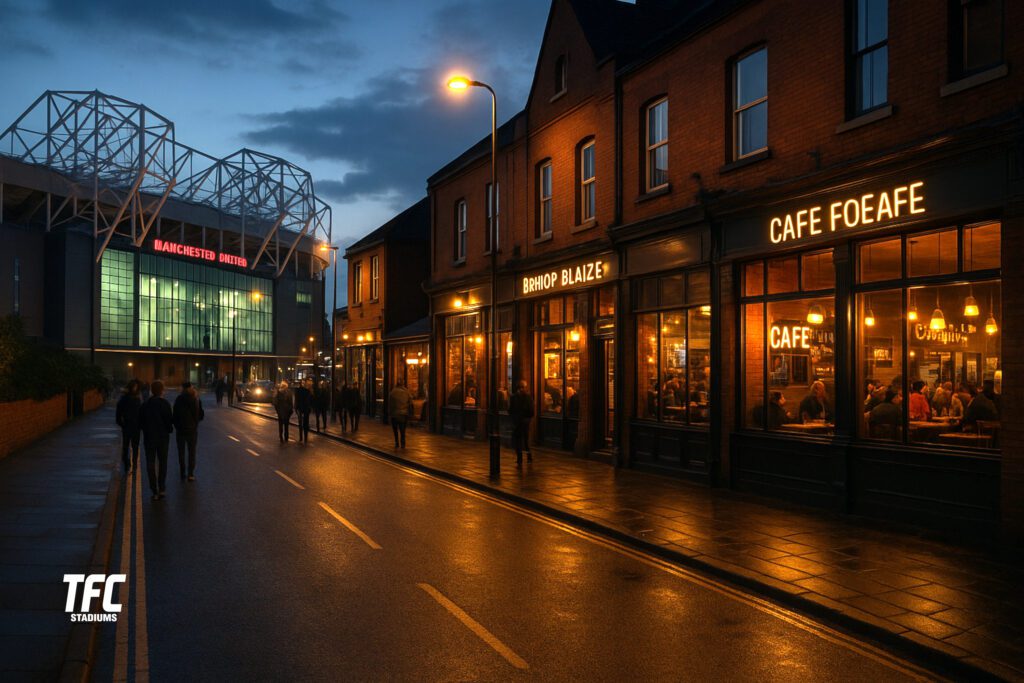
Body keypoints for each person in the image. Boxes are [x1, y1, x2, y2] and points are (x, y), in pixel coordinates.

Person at [139, 380, 173, 501]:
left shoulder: (145, 404)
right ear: (162, 390)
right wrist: (168, 430)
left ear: (151, 390)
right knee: (163, 462)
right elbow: (169, 421)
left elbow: (141, 422)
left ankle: (154, 490)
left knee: (150, 463)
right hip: (163, 437)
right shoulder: (165, 404)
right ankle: (162, 488)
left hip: (149, 437)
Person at [172, 381, 204, 481]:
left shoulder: (179, 399)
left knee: (181, 453)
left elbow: (175, 415)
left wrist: (177, 426)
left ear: (182, 388)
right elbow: (201, 415)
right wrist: (195, 423)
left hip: (181, 430)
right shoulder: (196, 399)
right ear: (191, 388)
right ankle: (191, 474)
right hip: (192, 430)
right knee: (192, 452)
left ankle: (182, 472)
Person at [116, 380, 143, 474]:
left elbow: (141, 413)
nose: (135, 388)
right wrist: (122, 424)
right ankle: (128, 464)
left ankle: (134, 466)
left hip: (135, 427)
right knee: (126, 447)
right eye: (134, 387)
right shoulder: (126, 399)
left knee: (134, 447)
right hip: (128, 426)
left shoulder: (137, 399)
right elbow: (118, 414)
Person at [509, 380, 534, 465]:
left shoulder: (516, 397)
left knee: (520, 440)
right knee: (524, 440)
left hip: (520, 421)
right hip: (522, 421)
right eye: (522, 387)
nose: (523, 389)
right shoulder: (527, 397)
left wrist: (515, 417)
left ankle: (522, 458)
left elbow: (510, 410)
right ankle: (526, 458)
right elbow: (531, 411)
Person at [388, 380, 412, 448]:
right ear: (403, 384)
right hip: (403, 414)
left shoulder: (392, 392)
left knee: (395, 430)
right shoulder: (406, 391)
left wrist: (390, 414)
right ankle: (403, 443)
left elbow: (390, 404)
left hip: (394, 414)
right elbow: (410, 401)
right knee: (402, 430)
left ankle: (396, 442)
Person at [294, 378, 313, 443]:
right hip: (301, 408)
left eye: (304, 383)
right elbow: (296, 400)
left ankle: (304, 437)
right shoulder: (299, 390)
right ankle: (302, 437)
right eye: (302, 383)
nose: (303, 384)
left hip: (305, 409)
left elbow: (310, 400)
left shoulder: (307, 391)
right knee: (301, 424)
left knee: (305, 423)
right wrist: (296, 408)